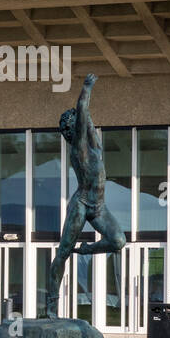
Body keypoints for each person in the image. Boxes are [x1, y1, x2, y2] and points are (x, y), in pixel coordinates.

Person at [45, 72, 126, 317]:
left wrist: (86, 113)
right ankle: (51, 306)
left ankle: (84, 249)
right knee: (62, 253)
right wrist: (87, 87)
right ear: (73, 129)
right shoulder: (79, 148)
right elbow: (82, 108)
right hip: (81, 204)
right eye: (81, 123)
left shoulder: (95, 146)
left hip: (99, 206)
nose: (87, 124)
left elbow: (86, 116)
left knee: (118, 241)